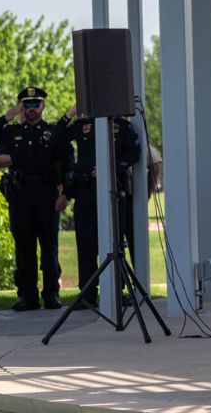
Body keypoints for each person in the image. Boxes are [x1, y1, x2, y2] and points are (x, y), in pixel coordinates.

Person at [0, 87, 72, 311]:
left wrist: (66, 194)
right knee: (24, 246)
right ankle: (27, 295)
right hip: (20, 193)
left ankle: (51, 294)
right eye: (26, 104)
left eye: (36, 104)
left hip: (47, 192)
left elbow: (68, 162)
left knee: (49, 246)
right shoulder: (11, 132)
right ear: (21, 107)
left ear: (43, 106)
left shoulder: (52, 132)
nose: (31, 109)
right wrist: (8, 115)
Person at [55, 108, 142, 307]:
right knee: (85, 245)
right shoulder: (82, 125)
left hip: (112, 189)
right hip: (85, 192)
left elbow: (134, 154)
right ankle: (87, 294)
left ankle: (115, 292)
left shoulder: (124, 127)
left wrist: (109, 168)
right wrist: (69, 114)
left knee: (114, 243)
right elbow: (56, 138)